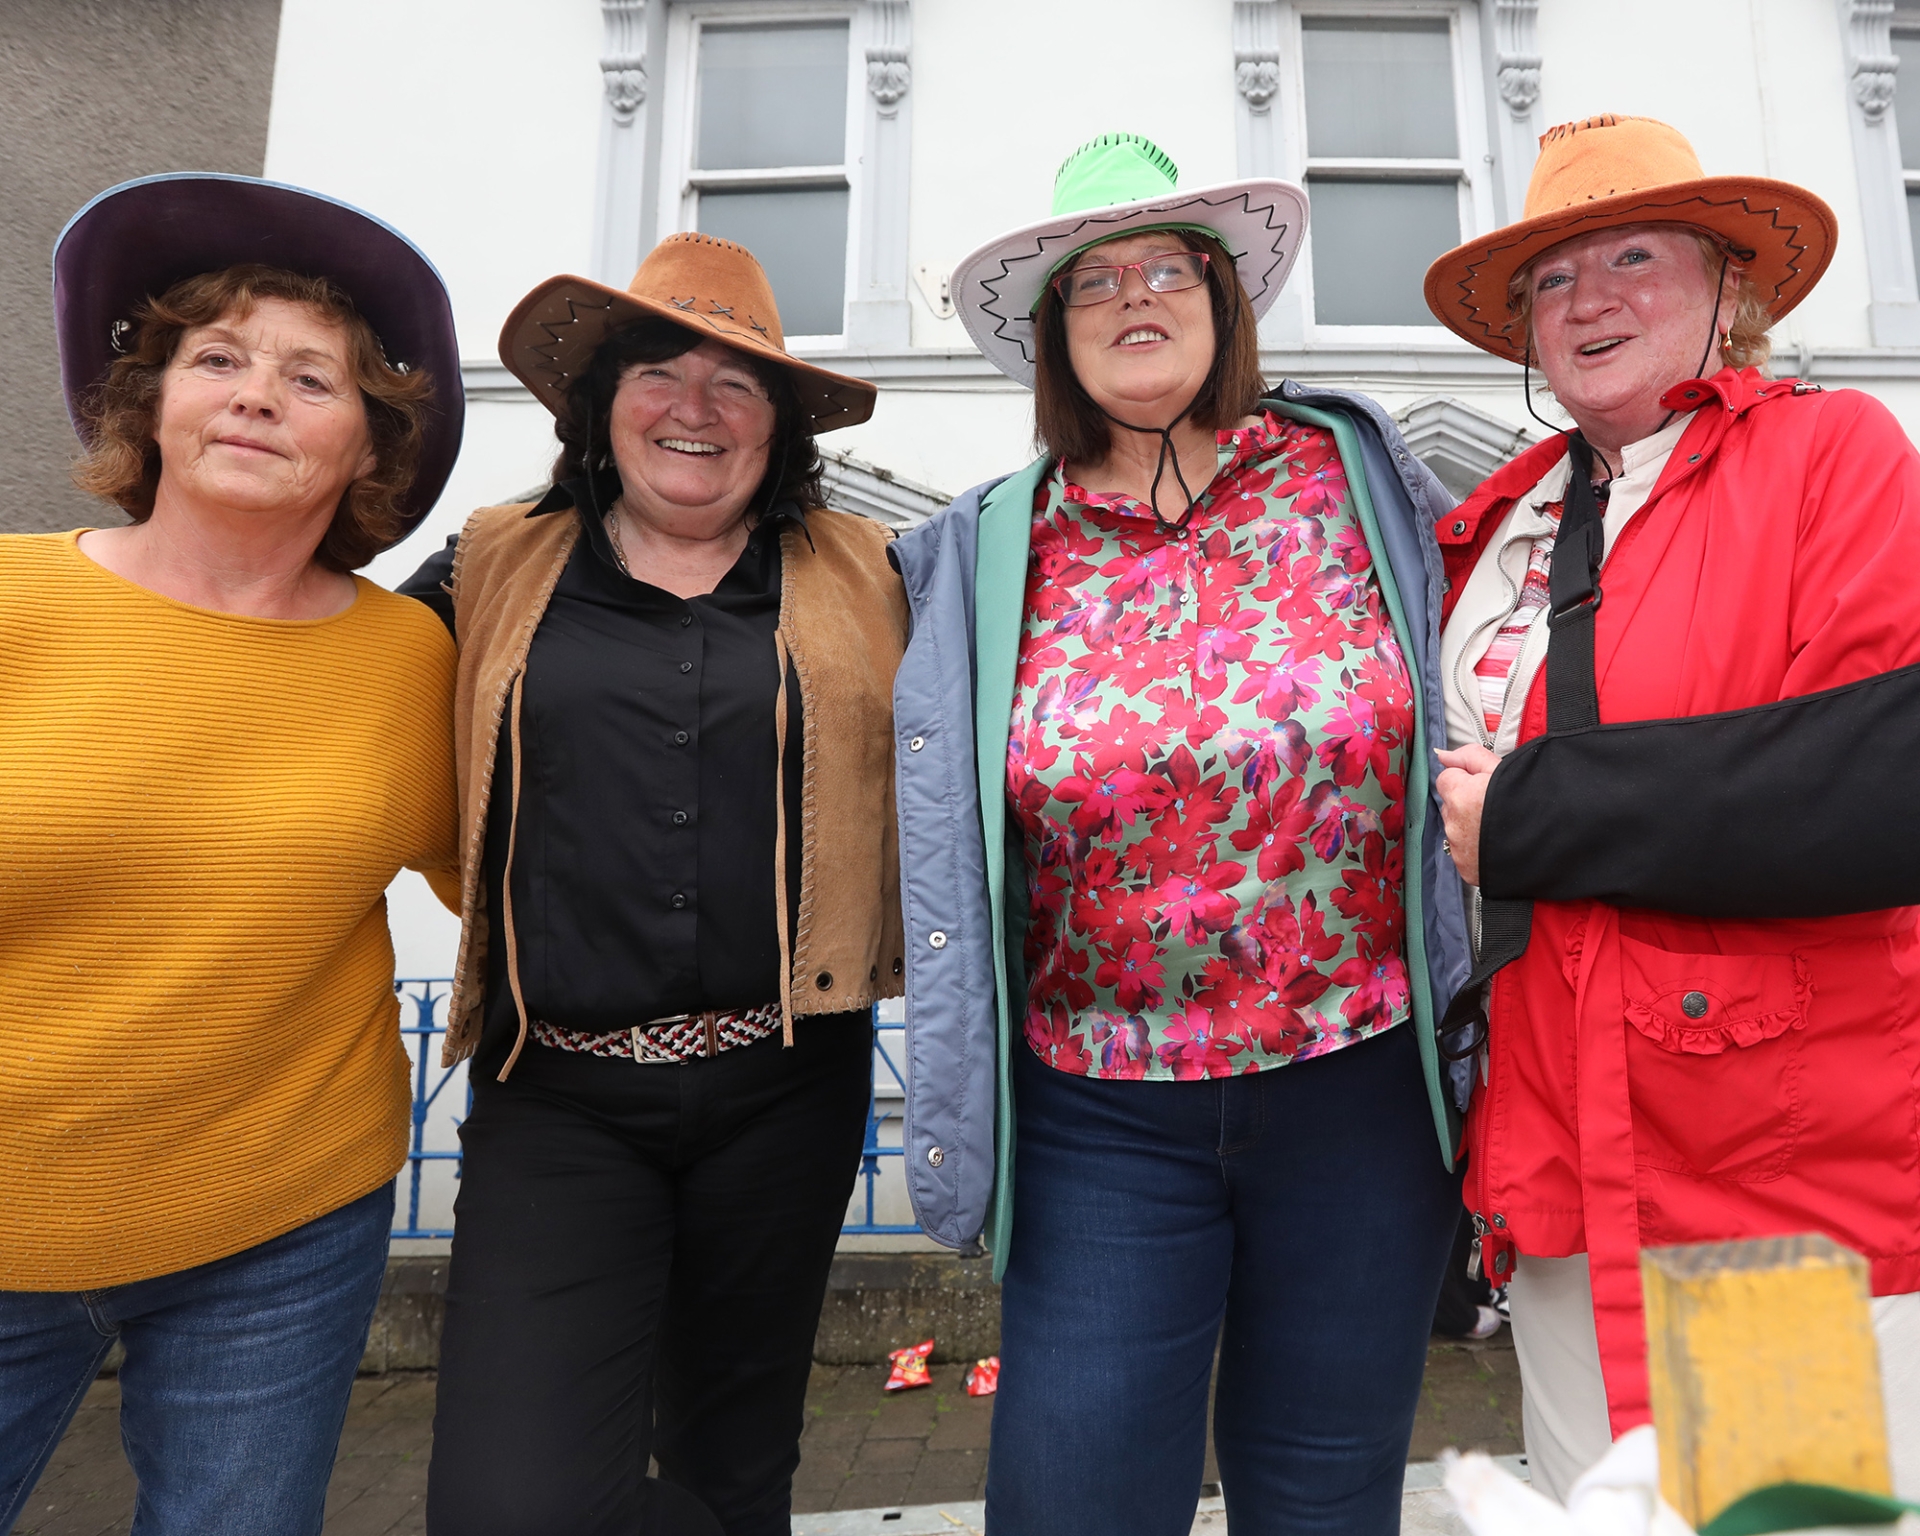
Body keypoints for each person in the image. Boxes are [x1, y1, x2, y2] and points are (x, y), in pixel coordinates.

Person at [890, 132, 1473, 1536]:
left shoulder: (1363, 483)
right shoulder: (981, 549)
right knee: (1073, 1498)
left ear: (1224, 305)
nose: (1133, 295)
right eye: (1093, 281)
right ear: (1053, 335)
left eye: (1169, 268)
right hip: (1101, 1111)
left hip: (1361, 1089)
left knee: (1326, 1495)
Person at [1422, 113, 1920, 1500]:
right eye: (1554, 278)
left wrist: (1532, 814)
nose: (1590, 300)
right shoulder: (1496, 523)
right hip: (1560, 1158)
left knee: (1782, 1525)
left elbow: (1879, 783)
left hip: (1773, 1164)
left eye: (1634, 256)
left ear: (1731, 289)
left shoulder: (1834, 456)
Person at [402, 232, 907, 1536]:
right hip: (556, 1100)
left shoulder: (869, 574)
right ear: (598, 402)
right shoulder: (490, 562)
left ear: (783, 425)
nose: (697, 409)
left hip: (786, 1091)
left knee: (737, 1471)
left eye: (738, 383)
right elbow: (346, 723)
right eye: (659, 371)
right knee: (510, 1505)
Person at [0, 173, 464, 1536]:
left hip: (281, 1229)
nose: (257, 394)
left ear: (367, 445)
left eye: (309, 377)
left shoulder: (406, 660)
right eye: (218, 360)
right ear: (150, 404)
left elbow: (502, 877)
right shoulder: (12, 599)